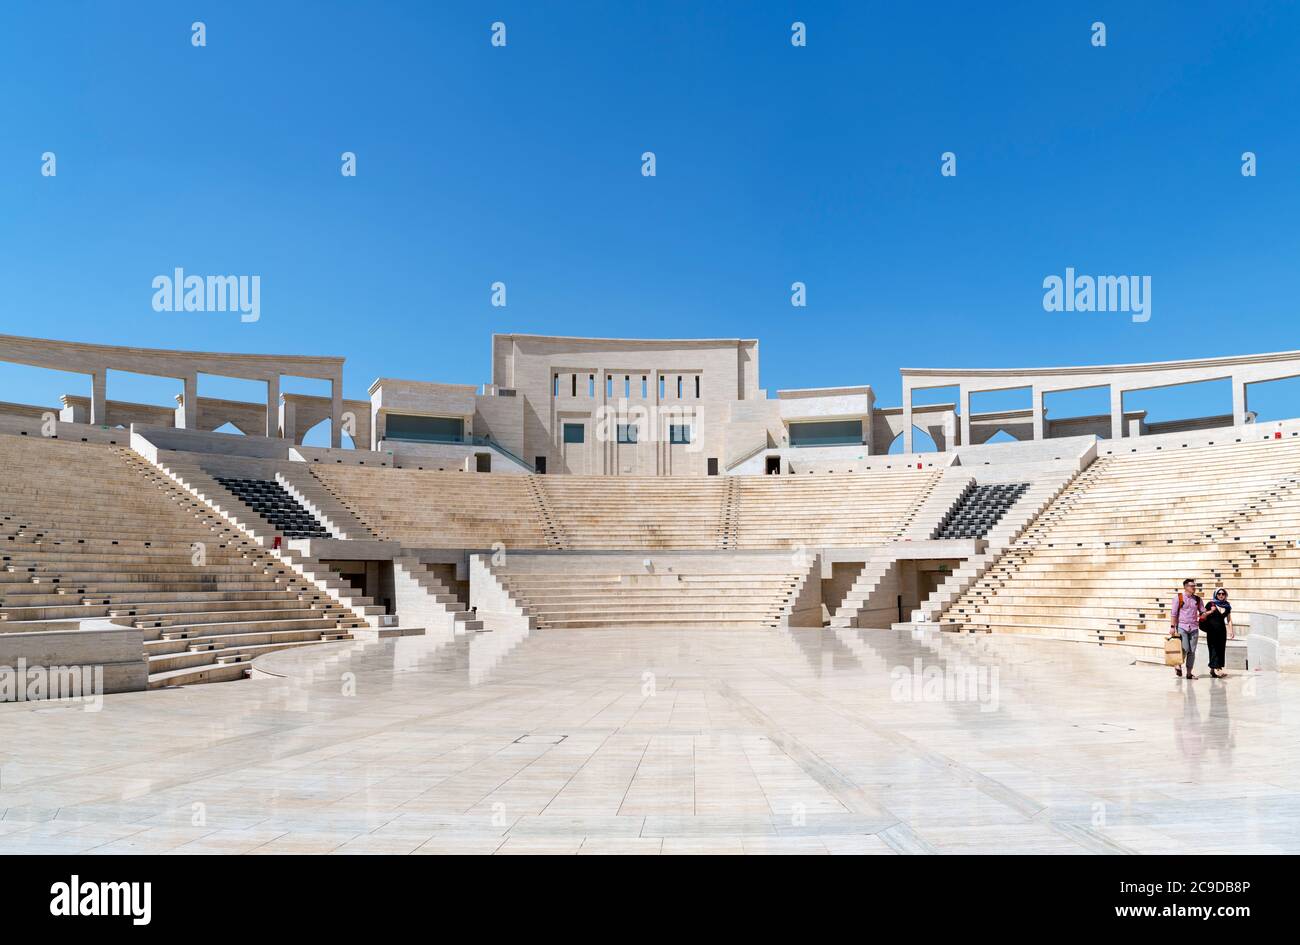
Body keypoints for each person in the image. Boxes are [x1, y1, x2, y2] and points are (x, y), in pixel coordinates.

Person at [1170, 578, 1204, 679]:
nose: (1194, 588)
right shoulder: (1178, 598)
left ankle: (1189, 673)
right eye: (1192, 586)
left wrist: (1207, 613)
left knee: (1192, 651)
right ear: (1185, 587)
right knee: (1184, 648)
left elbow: (1202, 611)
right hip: (1182, 626)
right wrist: (1172, 627)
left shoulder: (1197, 599)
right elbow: (1173, 614)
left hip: (1193, 627)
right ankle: (1178, 665)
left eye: (1194, 586)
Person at [1202, 587, 1233, 678]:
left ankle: (1213, 669)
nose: (1221, 595)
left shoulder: (1227, 605)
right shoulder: (1211, 604)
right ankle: (1218, 669)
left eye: (1223, 594)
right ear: (1216, 594)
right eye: (1219, 594)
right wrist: (1211, 611)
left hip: (1221, 631)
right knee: (1213, 649)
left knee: (1221, 649)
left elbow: (1229, 619)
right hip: (1212, 630)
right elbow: (1203, 615)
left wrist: (1231, 631)